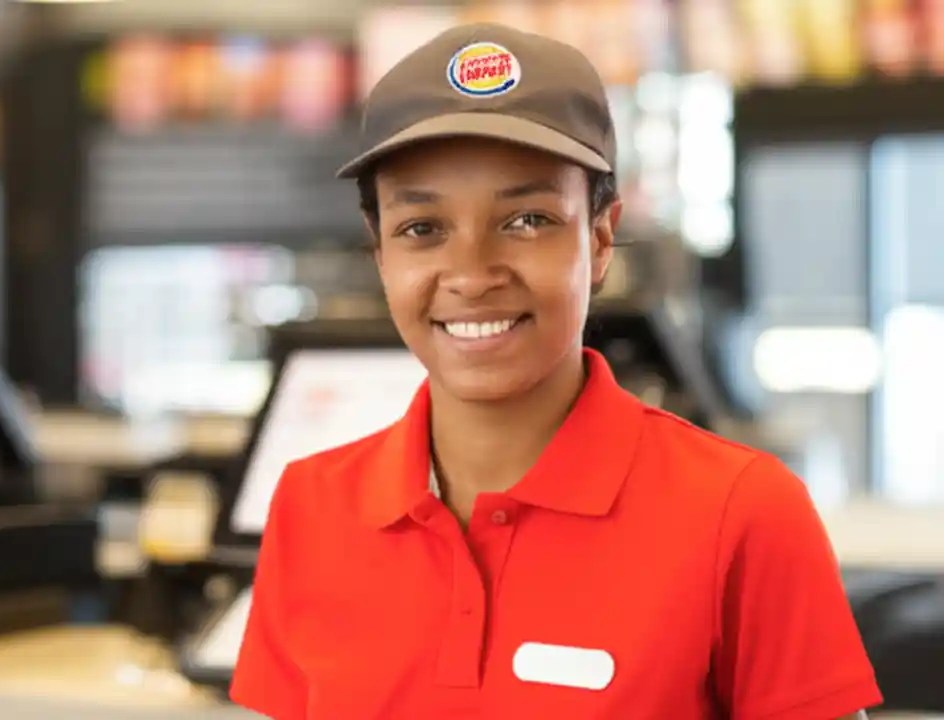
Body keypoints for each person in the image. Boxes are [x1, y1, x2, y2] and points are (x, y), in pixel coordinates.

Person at [229, 22, 882, 720]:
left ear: (600, 240)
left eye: (527, 220)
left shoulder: (743, 513)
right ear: (380, 254)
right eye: (422, 229)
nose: (473, 275)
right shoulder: (311, 508)